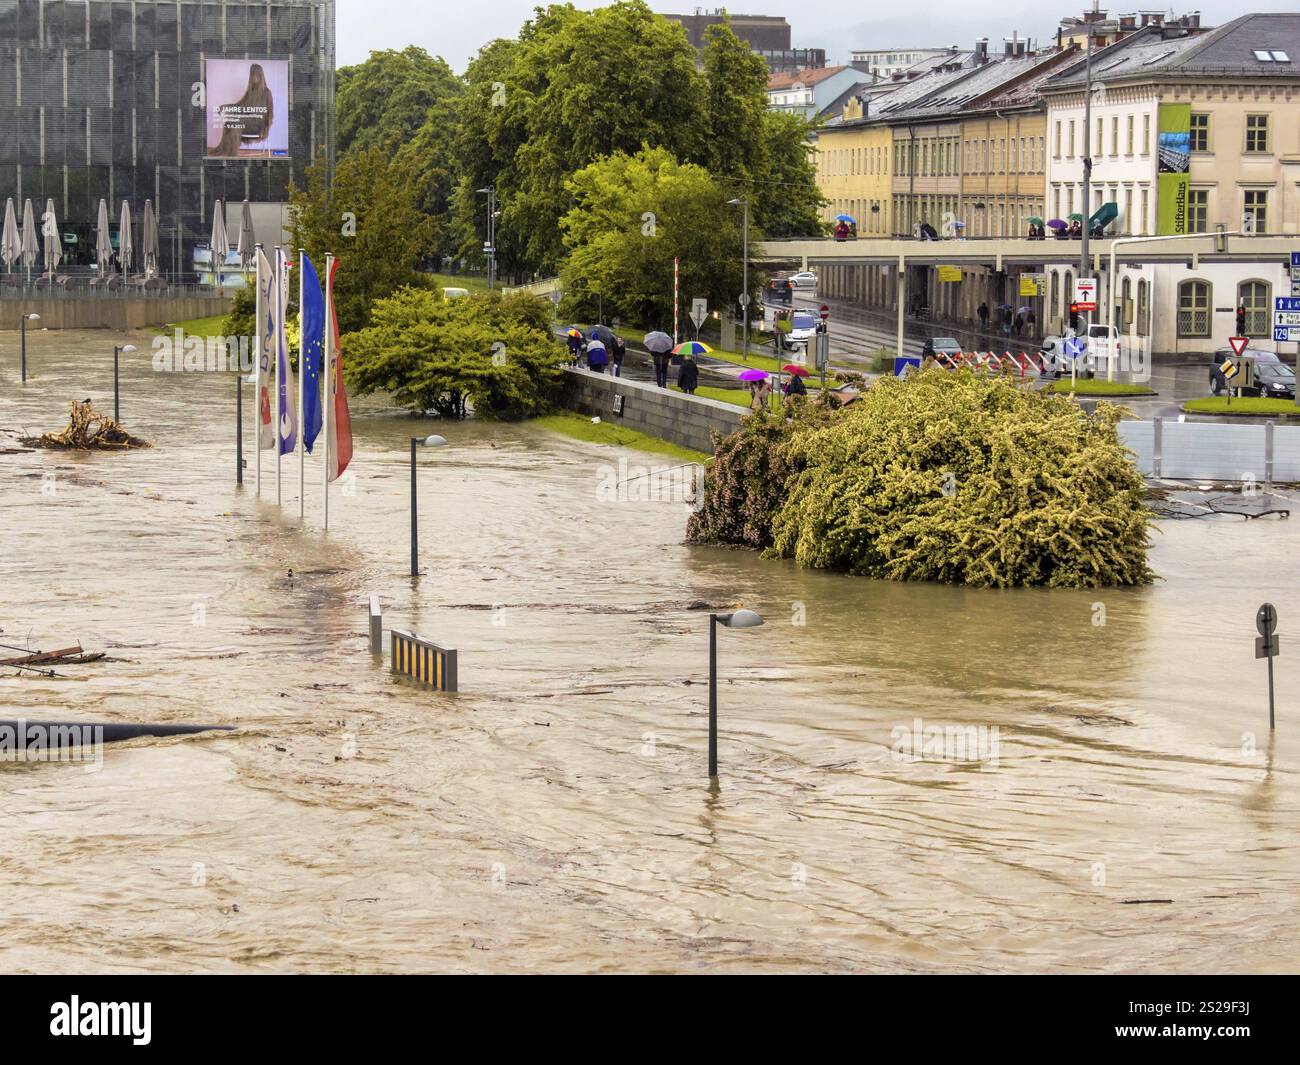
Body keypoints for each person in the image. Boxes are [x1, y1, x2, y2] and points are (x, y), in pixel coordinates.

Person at [208, 63, 275, 157]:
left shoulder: (267, 93)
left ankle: (231, 154)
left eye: (256, 74)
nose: (254, 77)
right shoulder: (250, 92)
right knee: (229, 123)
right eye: (252, 74)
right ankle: (224, 150)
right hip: (247, 123)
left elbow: (270, 114)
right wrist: (225, 107)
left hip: (258, 126)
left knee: (236, 122)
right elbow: (239, 105)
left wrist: (266, 129)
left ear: (261, 75)